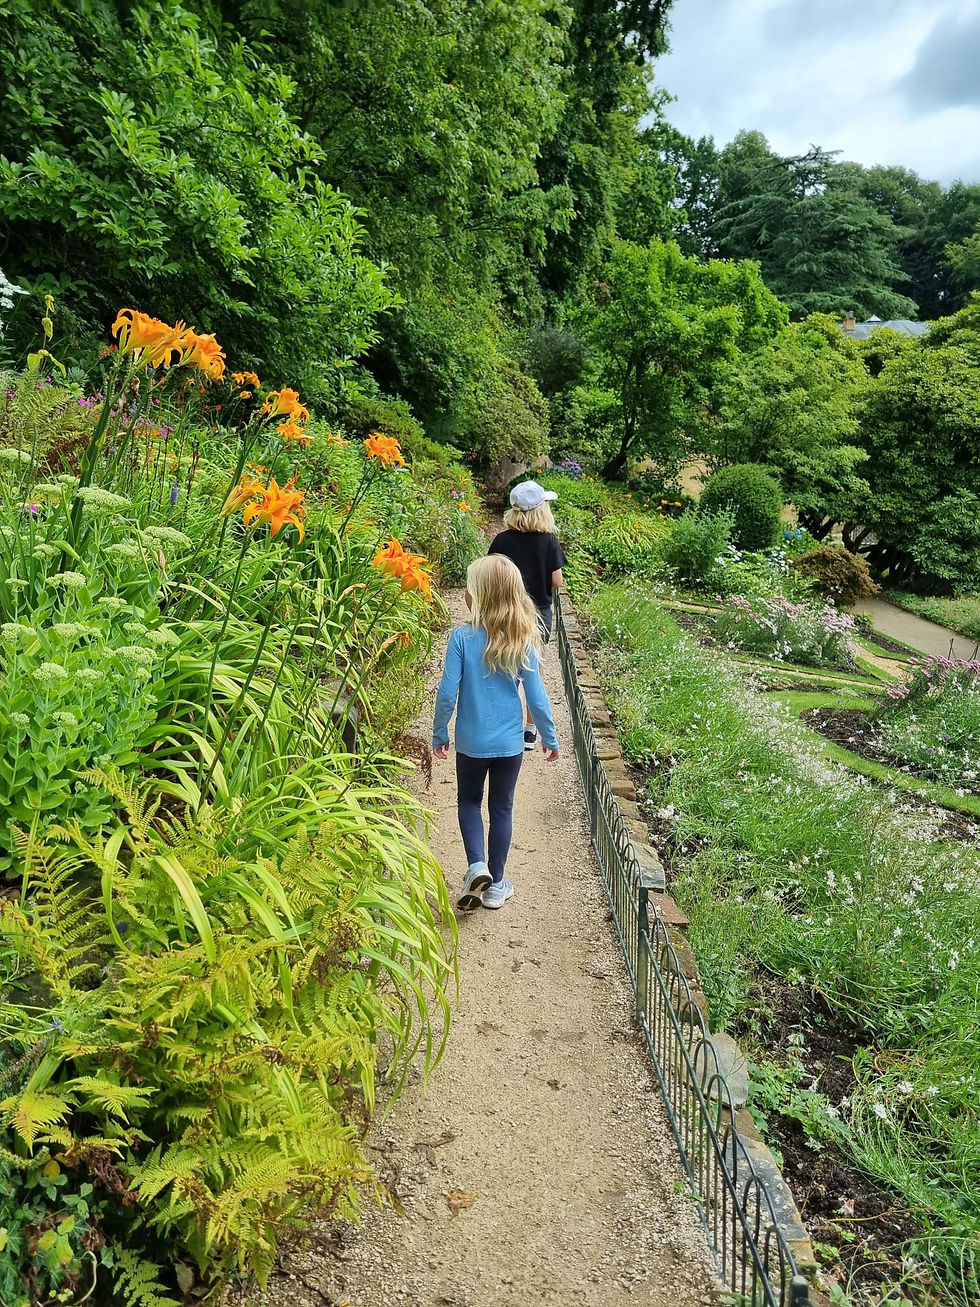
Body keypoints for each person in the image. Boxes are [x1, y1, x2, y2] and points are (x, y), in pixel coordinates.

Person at [432, 554, 560, 912]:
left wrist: (440, 731)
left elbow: (446, 692)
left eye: (469, 590)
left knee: (469, 802)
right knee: (502, 807)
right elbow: (536, 696)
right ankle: (497, 884)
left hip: (471, 742)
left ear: (479, 595)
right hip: (509, 744)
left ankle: (476, 865)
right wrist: (549, 737)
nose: (465, 597)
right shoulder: (524, 636)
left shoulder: (461, 637)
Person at [488, 479, 567, 750]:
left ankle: (500, 722)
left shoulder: (502, 540)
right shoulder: (549, 541)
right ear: (541, 510)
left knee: (502, 664)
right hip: (538, 613)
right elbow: (557, 582)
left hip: (507, 610)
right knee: (533, 669)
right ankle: (530, 731)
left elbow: (491, 573)